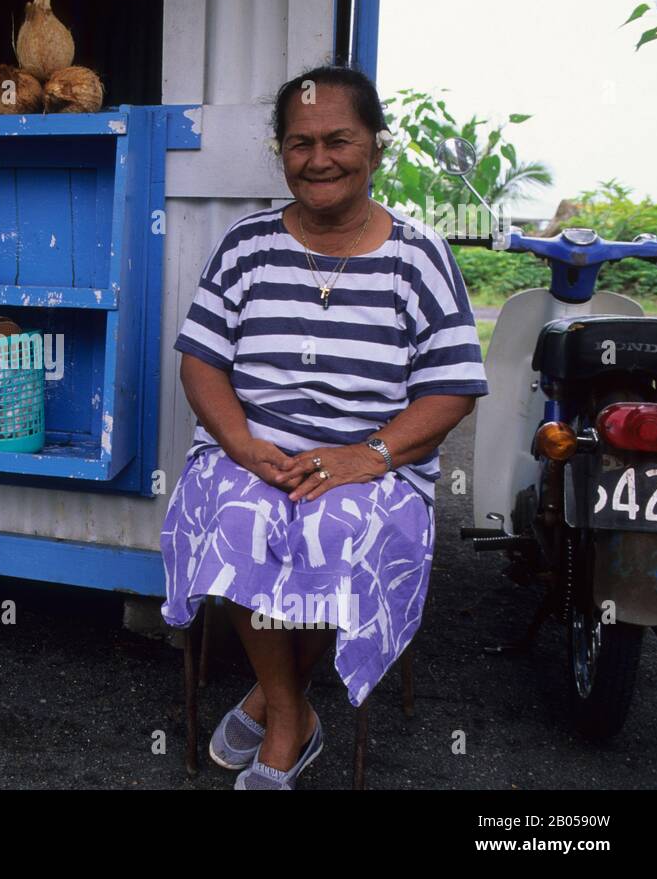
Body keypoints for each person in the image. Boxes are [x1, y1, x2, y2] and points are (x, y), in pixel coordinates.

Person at [161, 65, 488, 790]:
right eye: (300, 142)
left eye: (339, 139)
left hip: (375, 461)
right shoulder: (246, 246)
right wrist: (243, 443)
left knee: (336, 528)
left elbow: (453, 386)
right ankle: (291, 711)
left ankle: (276, 715)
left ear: (377, 146)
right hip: (252, 452)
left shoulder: (419, 255)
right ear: (282, 151)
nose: (318, 158)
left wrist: (367, 455)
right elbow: (201, 364)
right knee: (248, 522)